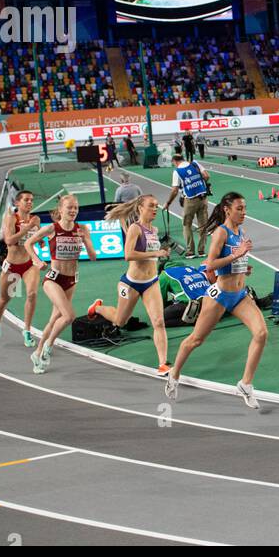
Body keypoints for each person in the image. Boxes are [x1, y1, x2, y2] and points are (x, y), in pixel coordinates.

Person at [165, 192, 268, 408]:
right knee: (196, 340)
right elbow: (209, 264)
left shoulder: (241, 232)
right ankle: (174, 374)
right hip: (220, 295)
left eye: (245, 208)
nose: (244, 212)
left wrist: (242, 268)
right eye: (239, 209)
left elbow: (233, 262)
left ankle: (246, 384)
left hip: (240, 295)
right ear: (227, 209)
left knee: (261, 333)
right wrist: (236, 256)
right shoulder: (220, 233)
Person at [87, 195, 173, 372]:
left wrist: (161, 253)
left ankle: (163, 364)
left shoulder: (154, 230)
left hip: (151, 282)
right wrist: (156, 253)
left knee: (158, 322)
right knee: (120, 321)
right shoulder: (135, 228)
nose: (155, 209)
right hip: (131, 283)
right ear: (141, 208)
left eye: (156, 206)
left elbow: (147, 250)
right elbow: (128, 255)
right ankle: (97, 308)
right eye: (151, 206)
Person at [26, 194, 97, 373]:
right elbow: (28, 243)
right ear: (60, 210)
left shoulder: (83, 229)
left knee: (54, 319)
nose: (73, 211)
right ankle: (49, 346)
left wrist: (85, 240)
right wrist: (36, 260)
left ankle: (37, 353)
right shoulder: (52, 228)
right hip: (53, 279)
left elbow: (93, 256)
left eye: (76, 208)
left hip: (72, 280)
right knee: (69, 316)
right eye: (69, 208)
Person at [0, 190, 43, 346]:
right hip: (12, 267)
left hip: (28, 265)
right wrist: (28, 228)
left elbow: (36, 238)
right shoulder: (11, 218)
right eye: (26, 200)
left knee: (32, 294)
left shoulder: (36, 219)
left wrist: (40, 240)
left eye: (31, 200)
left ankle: (27, 331)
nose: (29, 202)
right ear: (17, 203)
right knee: (5, 299)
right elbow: (9, 241)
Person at [165, 152, 210, 258]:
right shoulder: (195, 164)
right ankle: (202, 251)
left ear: (175, 161)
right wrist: (199, 184)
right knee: (203, 225)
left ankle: (190, 252)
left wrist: (168, 202)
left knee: (187, 225)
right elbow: (207, 176)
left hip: (190, 201)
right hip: (203, 198)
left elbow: (175, 190)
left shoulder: (177, 171)